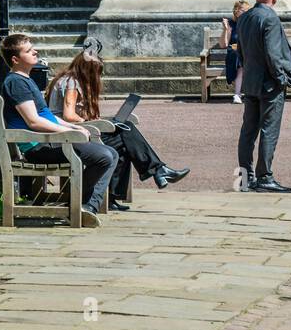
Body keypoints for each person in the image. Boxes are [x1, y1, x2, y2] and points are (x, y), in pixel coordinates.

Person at [46, 46, 188, 210]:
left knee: (124, 134)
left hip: (75, 133)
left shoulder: (71, 80)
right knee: (124, 134)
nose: (98, 76)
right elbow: (68, 116)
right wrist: (89, 121)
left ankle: (153, 172)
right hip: (67, 136)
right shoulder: (72, 82)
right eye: (95, 72)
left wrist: (95, 120)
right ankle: (155, 171)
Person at [0, 33, 117, 227]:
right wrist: (67, 133)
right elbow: (34, 122)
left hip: (47, 141)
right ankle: (77, 204)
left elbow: (48, 117)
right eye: (28, 50)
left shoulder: (26, 80)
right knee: (103, 156)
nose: (35, 51)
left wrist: (72, 126)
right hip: (37, 148)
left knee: (112, 154)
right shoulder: (16, 83)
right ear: (15, 59)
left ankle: (86, 207)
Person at [235, 0, 291, 193]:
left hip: (251, 83)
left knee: (248, 132)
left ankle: (244, 178)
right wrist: (282, 78)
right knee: (269, 131)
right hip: (269, 84)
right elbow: (273, 54)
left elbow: (241, 53)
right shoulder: (270, 18)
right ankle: (264, 177)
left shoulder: (244, 18)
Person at [220, 0, 250, 103]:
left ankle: (238, 94)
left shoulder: (250, 24)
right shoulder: (231, 24)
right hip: (235, 55)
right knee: (239, 61)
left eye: (248, 10)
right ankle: (237, 94)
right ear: (236, 11)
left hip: (249, 54)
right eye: (243, 10)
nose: (246, 12)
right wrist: (225, 29)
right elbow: (223, 45)